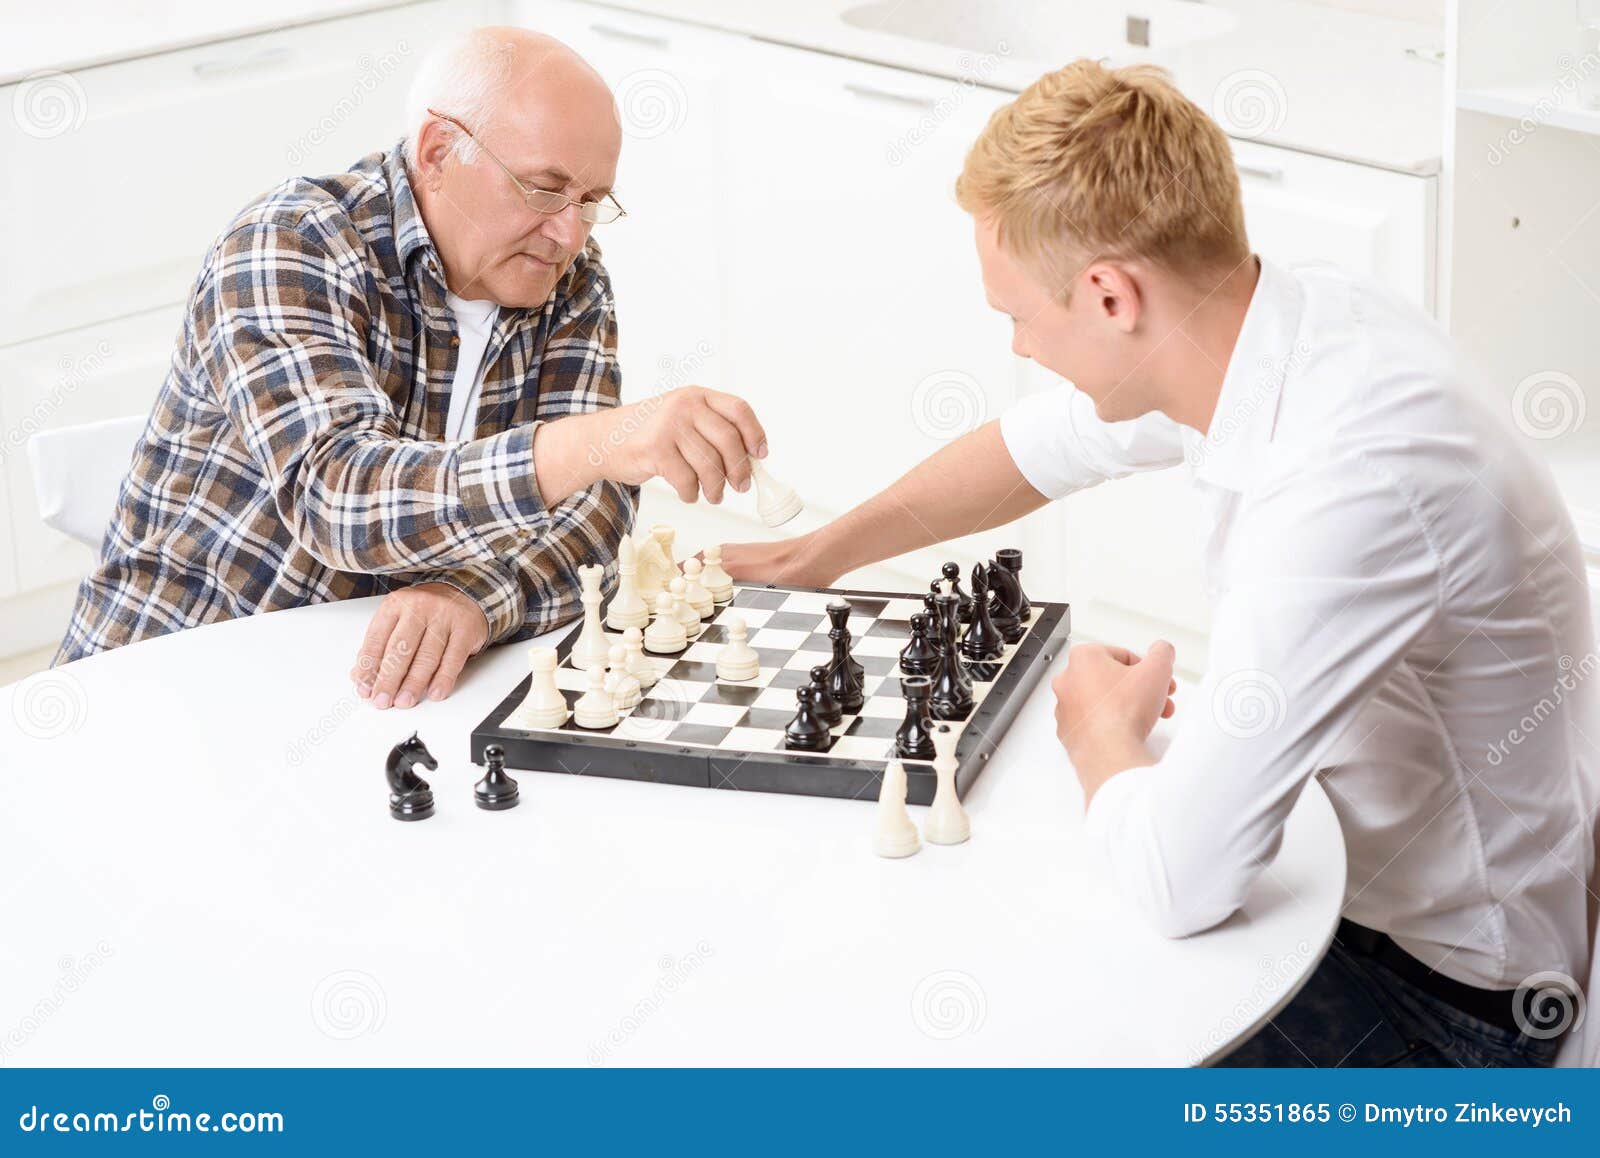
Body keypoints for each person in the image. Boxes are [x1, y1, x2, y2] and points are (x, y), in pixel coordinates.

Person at [723, 59, 1598, 1066]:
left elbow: (1184, 879)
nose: (1018, 342)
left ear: (1106, 295)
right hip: (1350, 899)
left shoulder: (1350, 479)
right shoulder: (1280, 320)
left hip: (1442, 1012)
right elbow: (1038, 446)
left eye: (1015, 313)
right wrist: (818, 553)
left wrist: (1101, 736)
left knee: (1003, 1055)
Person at [55, 28, 766, 710]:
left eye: (589, 201)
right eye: (545, 189)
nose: (569, 233)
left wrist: (472, 596)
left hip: (370, 696)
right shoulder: (290, 243)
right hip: (167, 684)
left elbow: (595, 513)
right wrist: (597, 441)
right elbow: (338, 497)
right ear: (436, 150)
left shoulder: (567, 278)